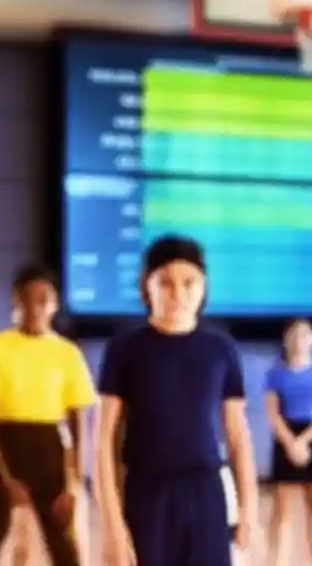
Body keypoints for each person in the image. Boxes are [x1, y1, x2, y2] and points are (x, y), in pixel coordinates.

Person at [94, 235, 259, 566]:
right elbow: (102, 442)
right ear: (146, 285)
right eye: (165, 283)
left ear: (203, 287)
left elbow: (238, 436)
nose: (178, 294)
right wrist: (112, 525)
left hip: (206, 493)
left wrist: (249, 509)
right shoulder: (126, 348)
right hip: (147, 494)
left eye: (189, 283)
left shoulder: (221, 349)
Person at [0, 264, 95, 566]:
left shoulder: (67, 353)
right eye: (28, 299)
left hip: (50, 451)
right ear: (15, 301)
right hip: (5, 450)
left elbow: (77, 423)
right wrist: (6, 477)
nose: (35, 308)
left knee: (65, 550)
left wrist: (72, 480)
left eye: (43, 299)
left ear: (55, 304)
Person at [264, 318, 312, 566]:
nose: (299, 341)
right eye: (294, 335)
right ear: (286, 341)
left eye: (305, 335)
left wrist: (304, 441)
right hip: (286, 435)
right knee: (282, 502)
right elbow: (273, 414)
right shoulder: (275, 374)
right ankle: (277, 559)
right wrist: (290, 443)